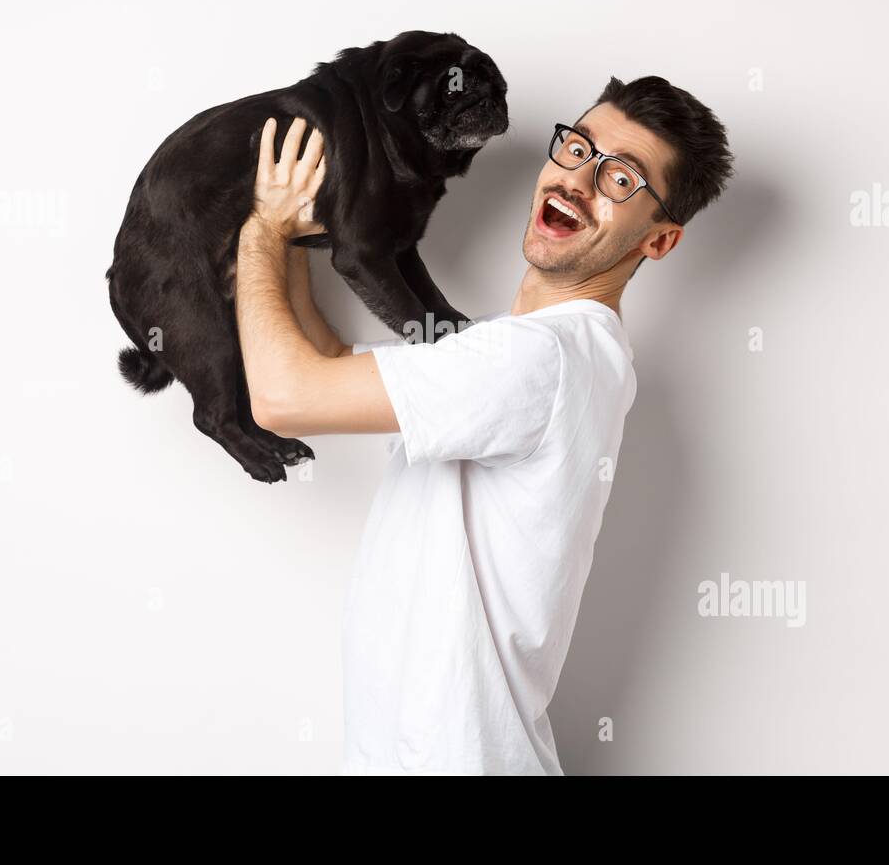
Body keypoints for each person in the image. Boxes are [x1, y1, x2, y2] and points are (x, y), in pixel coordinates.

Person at [235, 76, 733, 774]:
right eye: (579, 148)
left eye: (620, 178)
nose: (579, 181)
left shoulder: (539, 360)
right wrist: (288, 235)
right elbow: (325, 361)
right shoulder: (538, 354)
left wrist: (262, 226)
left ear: (659, 241)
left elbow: (285, 396)